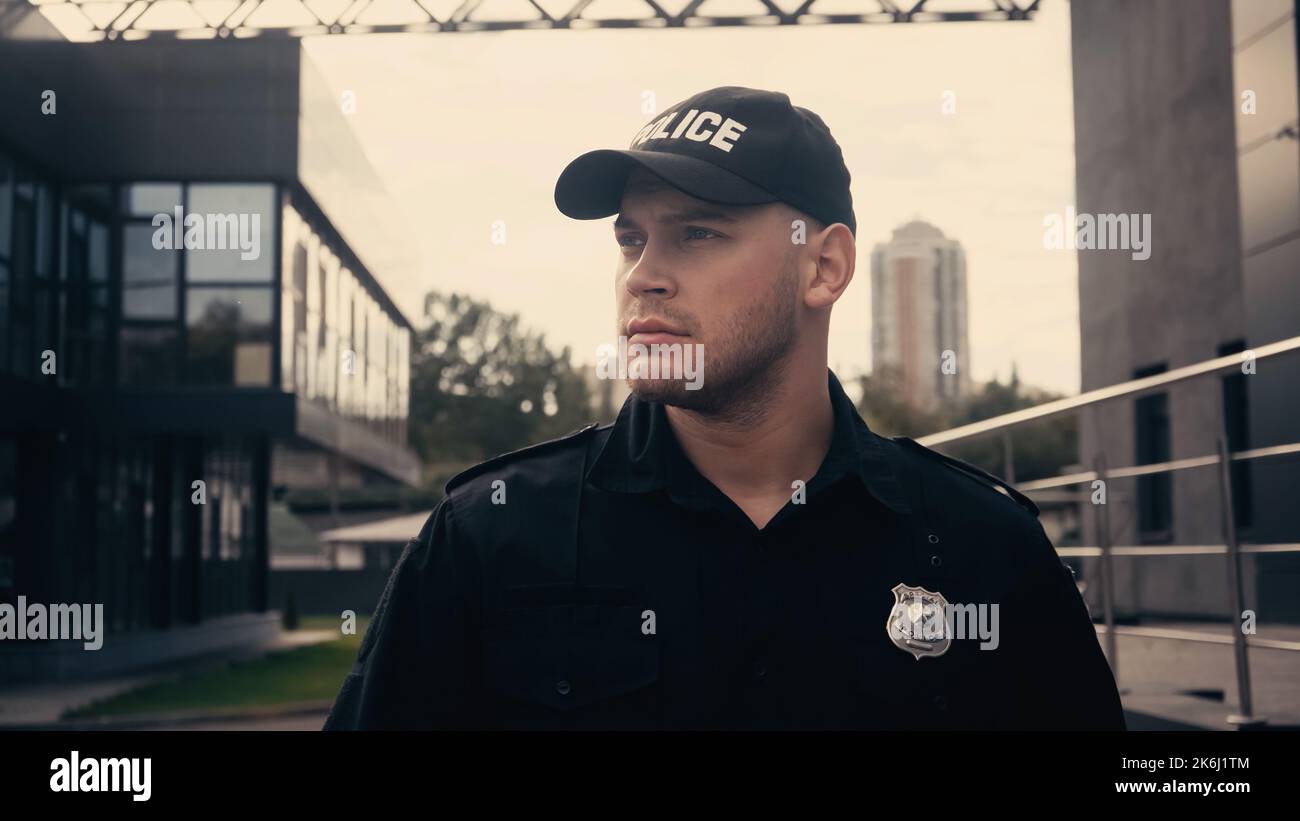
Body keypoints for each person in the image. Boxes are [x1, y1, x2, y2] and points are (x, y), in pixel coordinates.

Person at [323, 86, 1126, 730]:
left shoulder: (985, 545)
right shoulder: (492, 536)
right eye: (630, 239)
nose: (644, 275)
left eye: (698, 234)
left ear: (825, 266)